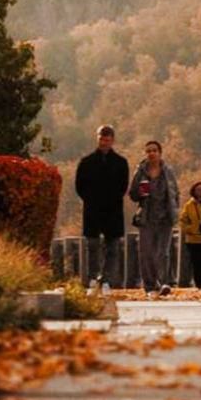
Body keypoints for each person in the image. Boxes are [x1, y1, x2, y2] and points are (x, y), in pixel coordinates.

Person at [75, 124, 129, 294]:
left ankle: (106, 280)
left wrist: (111, 199)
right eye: (101, 139)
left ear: (112, 140)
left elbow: (123, 186)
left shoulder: (121, 163)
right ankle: (92, 279)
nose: (104, 143)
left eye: (107, 140)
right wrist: (91, 200)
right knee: (92, 246)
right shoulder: (86, 162)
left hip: (113, 210)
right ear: (97, 139)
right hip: (92, 210)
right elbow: (79, 186)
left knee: (112, 248)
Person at [129, 139, 179, 297]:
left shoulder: (168, 171)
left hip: (165, 217)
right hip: (147, 217)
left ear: (160, 153)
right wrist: (140, 193)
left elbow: (175, 193)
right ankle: (150, 286)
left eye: (154, 150)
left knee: (163, 252)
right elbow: (132, 194)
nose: (151, 153)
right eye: (148, 151)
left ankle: (164, 283)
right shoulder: (140, 172)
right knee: (147, 253)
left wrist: (174, 211)